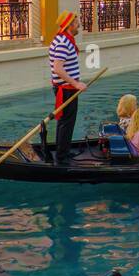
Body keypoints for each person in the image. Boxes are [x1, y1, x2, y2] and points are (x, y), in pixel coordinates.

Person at [48, 11, 87, 165]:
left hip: (66, 88)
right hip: (66, 89)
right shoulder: (64, 42)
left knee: (65, 122)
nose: (79, 25)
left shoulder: (63, 39)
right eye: (77, 23)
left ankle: (62, 151)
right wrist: (76, 83)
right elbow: (58, 68)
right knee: (66, 123)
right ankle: (62, 157)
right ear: (70, 25)